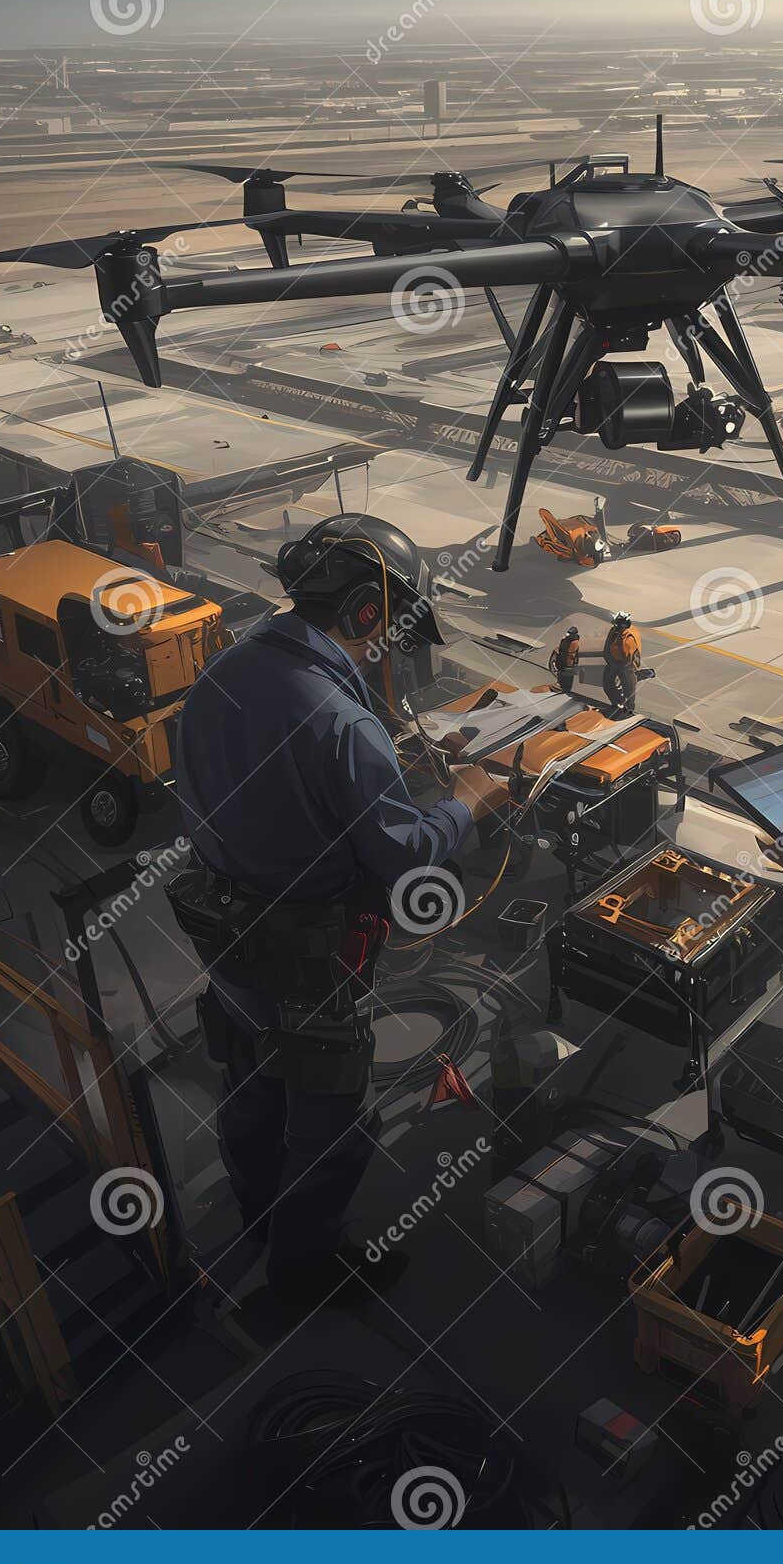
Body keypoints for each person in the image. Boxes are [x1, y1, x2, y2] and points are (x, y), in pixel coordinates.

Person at [171, 514, 504, 1309]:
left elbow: (287, 755)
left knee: (250, 1079)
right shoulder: (342, 725)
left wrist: (379, 752)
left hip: (227, 938)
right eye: (385, 629)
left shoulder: (232, 662)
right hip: (305, 957)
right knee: (331, 1118)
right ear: (364, 613)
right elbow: (404, 859)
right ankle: (302, 1274)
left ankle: (258, 1219)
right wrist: (467, 804)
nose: (386, 646)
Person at [602, 611, 642, 716]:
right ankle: (618, 703)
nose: (616, 626)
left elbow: (628, 657)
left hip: (626, 666)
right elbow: (607, 646)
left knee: (629, 688)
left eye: (618, 625)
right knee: (607, 684)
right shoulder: (614, 631)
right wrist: (610, 660)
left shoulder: (629, 637)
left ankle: (629, 710)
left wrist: (621, 666)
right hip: (613, 662)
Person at [550, 625, 581, 694]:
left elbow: (571, 652)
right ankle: (560, 683)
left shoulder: (575, 642)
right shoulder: (565, 639)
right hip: (563, 658)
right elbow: (561, 646)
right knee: (561, 671)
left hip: (569, 661)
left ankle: (566, 687)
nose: (568, 634)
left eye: (569, 633)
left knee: (567, 673)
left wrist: (569, 656)